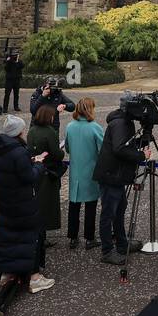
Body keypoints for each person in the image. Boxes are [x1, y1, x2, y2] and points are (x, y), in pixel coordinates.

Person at [0, 115, 54, 294]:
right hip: (22, 201)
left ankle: (8, 271)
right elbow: (30, 178)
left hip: (6, 200)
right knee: (30, 236)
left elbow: (14, 170)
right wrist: (39, 165)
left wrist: (30, 162)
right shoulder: (19, 151)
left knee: (9, 234)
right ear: (18, 132)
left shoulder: (2, 148)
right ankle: (34, 278)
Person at [93, 102, 152, 265]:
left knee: (119, 210)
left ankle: (121, 243)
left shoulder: (123, 121)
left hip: (116, 175)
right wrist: (141, 156)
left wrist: (143, 138)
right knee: (108, 214)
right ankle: (107, 251)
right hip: (112, 175)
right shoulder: (121, 123)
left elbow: (126, 144)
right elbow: (120, 149)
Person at [63, 97, 103, 250]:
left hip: (75, 171)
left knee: (74, 205)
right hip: (90, 170)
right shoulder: (95, 127)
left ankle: (73, 237)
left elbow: (67, 147)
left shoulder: (70, 126)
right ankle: (89, 237)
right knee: (90, 206)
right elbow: (102, 150)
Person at [28, 105, 65, 242]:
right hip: (49, 171)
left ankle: (38, 235)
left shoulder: (32, 130)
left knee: (37, 202)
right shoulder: (50, 132)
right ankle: (41, 237)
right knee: (46, 205)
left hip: (35, 169)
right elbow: (57, 154)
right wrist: (61, 151)